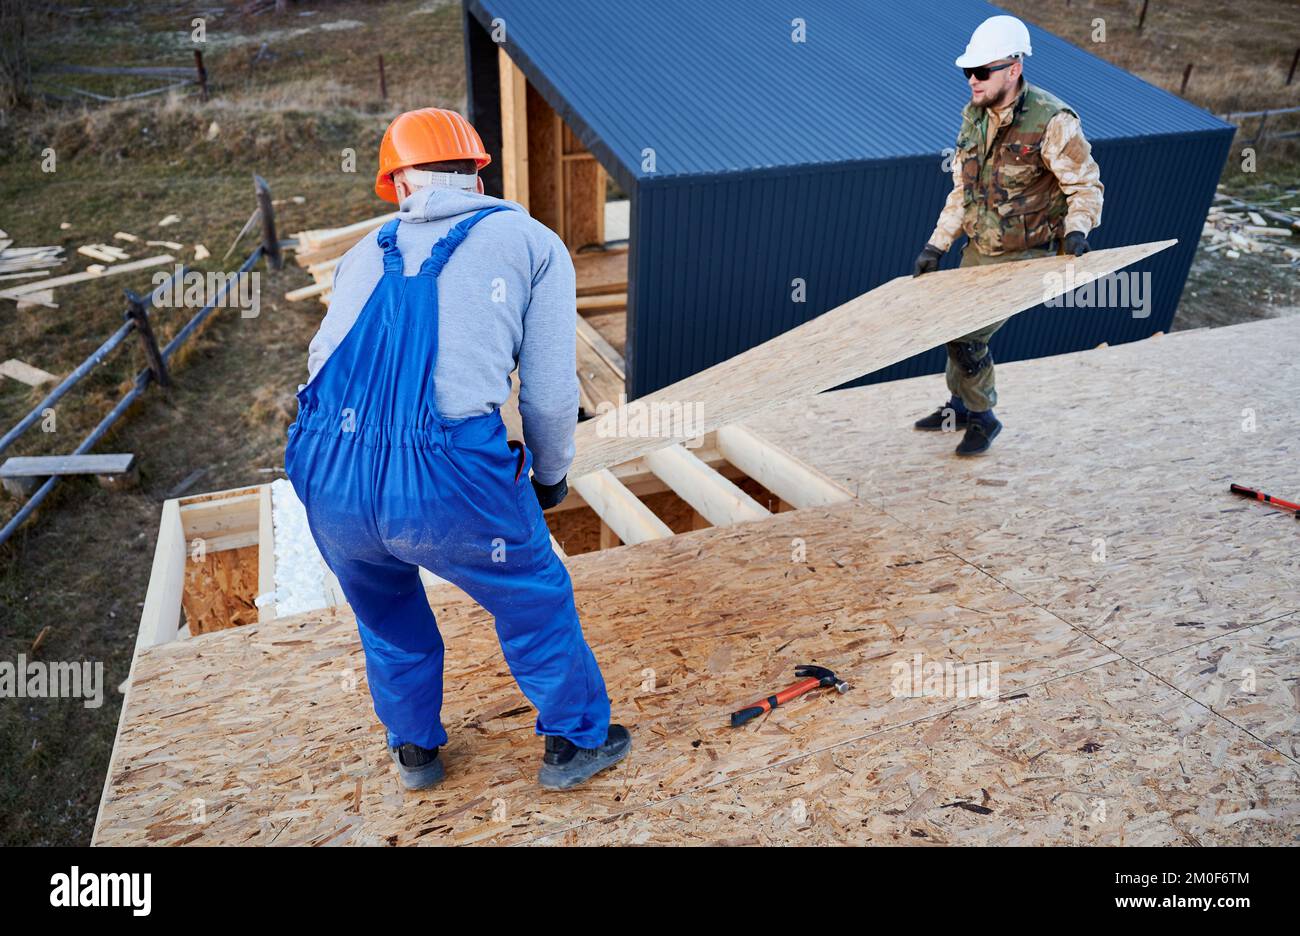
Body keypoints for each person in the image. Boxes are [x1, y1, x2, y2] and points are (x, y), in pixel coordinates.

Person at [285, 108, 630, 791]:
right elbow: (552, 397)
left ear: (399, 182)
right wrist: (551, 477)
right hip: (448, 479)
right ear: (478, 172)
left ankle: (414, 753)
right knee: (534, 600)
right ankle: (574, 743)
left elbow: (319, 364)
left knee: (386, 615)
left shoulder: (362, 253)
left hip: (329, 471)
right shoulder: (530, 244)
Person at [912, 15, 1104, 455]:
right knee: (951, 326)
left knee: (969, 337)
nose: (972, 82)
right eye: (968, 73)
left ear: (1013, 69)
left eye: (982, 73)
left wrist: (1077, 231)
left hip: (1026, 252)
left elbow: (1085, 185)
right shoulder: (974, 117)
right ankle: (958, 405)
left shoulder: (1053, 121)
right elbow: (964, 189)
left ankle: (983, 417)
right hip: (980, 245)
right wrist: (937, 244)